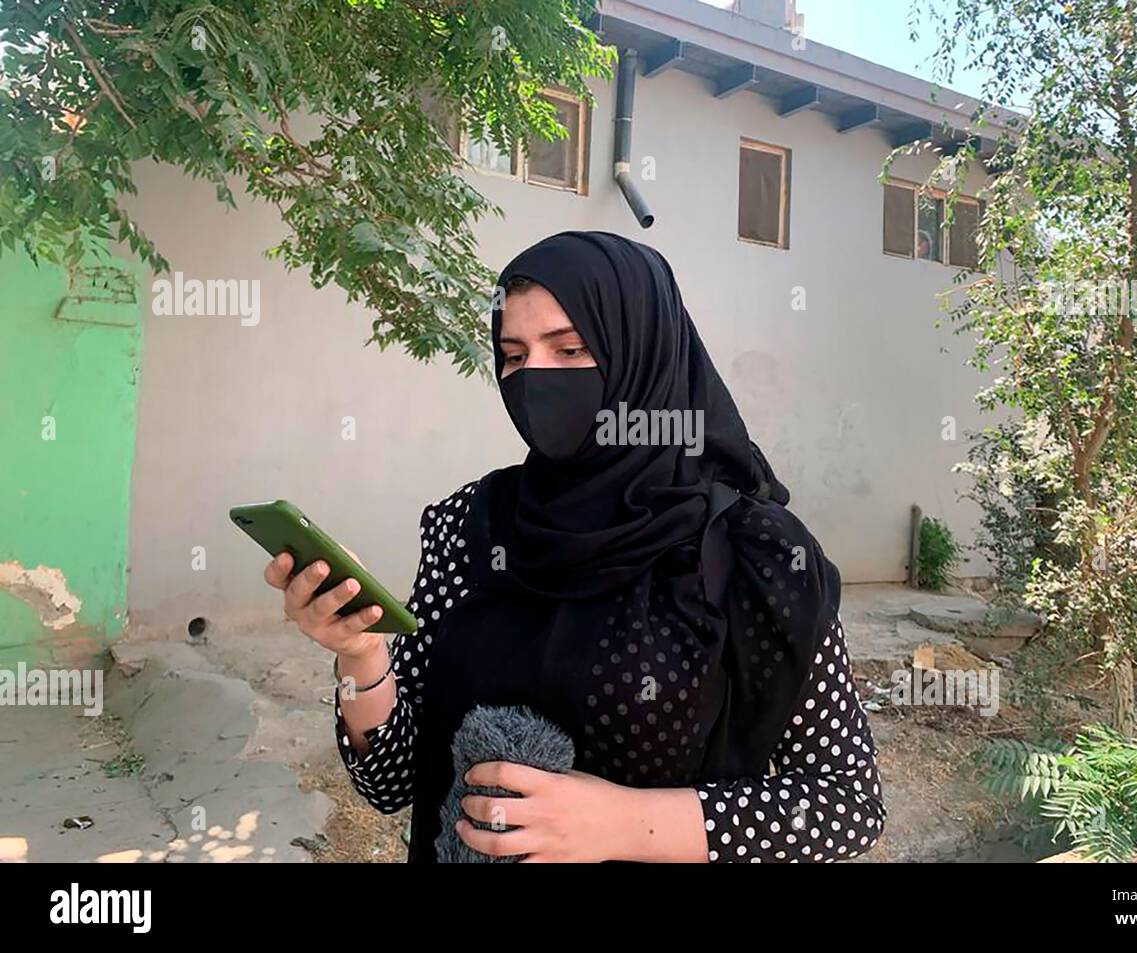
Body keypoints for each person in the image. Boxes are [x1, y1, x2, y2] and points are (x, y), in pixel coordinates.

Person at [264, 231, 885, 862]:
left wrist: (626, 823)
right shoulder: (472, 525)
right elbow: (392, 779)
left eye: (570, 349)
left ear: (643, 350)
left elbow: (846, 802)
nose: (535, 377)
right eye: (513, 355)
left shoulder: (752, 553)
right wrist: (362, 657)